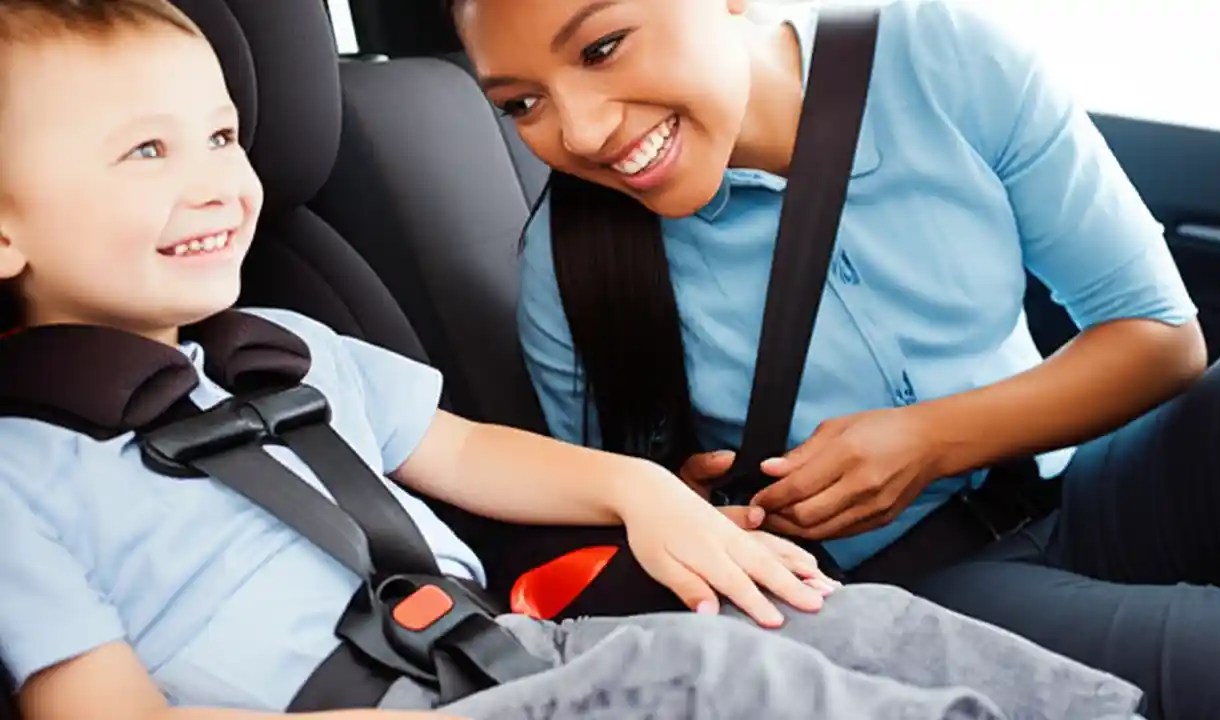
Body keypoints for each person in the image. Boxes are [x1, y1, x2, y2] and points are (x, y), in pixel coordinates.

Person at [0, 2, 1153, 720]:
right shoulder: (16, 475)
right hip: (359, 705)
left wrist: (640, 490)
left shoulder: (289, 353)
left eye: (219, 137)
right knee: (732, 682)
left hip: (509, 647)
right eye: (145, 150)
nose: (212, 177)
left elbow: (467, 453)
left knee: (853, 628)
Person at [448, 0, 1220, 716]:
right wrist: (694, 510)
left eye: (602, 47)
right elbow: (617, 524)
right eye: (522, 103)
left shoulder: (935, 50)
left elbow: (1160, 337)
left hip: (1091, 481)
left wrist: (927, 441)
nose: (582, 131)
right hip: (920, 595)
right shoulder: (575, 270)